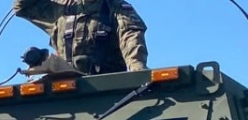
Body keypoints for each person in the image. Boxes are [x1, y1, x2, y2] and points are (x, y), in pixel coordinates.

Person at [14, 0, 149, 75]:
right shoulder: (61, 8)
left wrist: (136, 67)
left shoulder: (117, 8)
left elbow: (131, 35)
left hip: (107, 87)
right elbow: (22, 7)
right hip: (66, 87)